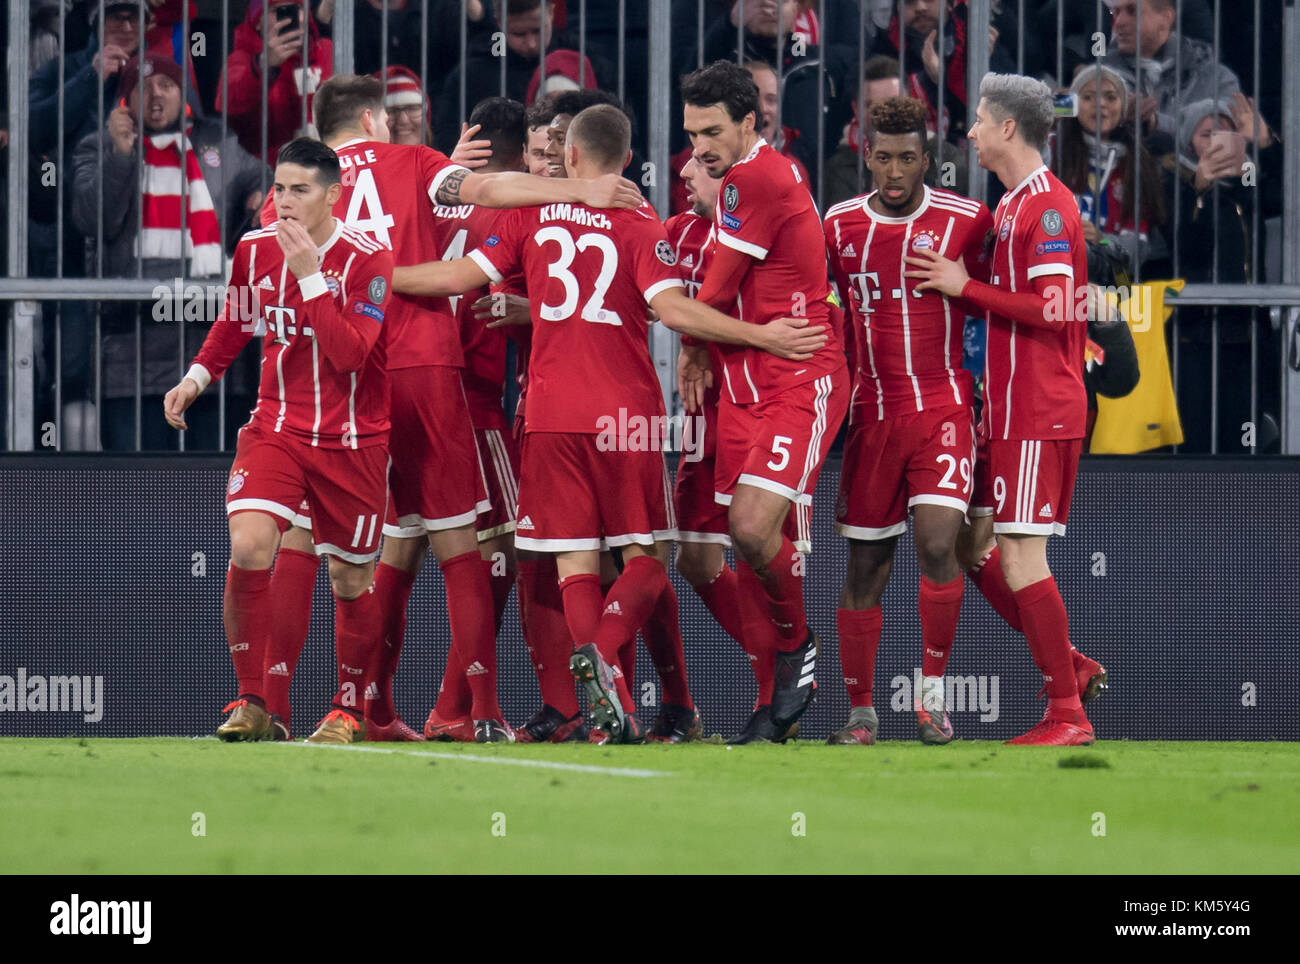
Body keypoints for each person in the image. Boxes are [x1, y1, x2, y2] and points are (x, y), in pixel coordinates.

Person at [393, 103, 829, 742]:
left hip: (546, 413)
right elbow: (676, 314)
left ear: (568, 157)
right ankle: (606, 652)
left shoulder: (530, 214)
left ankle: (609, 699)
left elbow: (457, 278)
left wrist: (368, 273)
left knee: (571, 565)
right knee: (646, 554)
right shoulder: (639, 221)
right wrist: (761, 334)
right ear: (626, 160)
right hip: (626, 414)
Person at [163, 137, 393, 745]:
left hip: (352, 440)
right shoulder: (254, 248)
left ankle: (347, 709)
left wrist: (312, 278)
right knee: (248, 546)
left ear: (333, 195)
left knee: (349, 579)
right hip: (277, 427)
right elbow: (237, 320)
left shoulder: (369, 259)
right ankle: (253, 701)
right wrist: (195, 378)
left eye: (301, 190)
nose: (284, 202)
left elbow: (350, 357)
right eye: (279, 188)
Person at [904, 73, 1096, 746]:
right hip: (1010, 410)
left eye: (980, 120)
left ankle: (1067, 713)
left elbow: (1054, 307)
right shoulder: (1014, 204)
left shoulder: (1046, 207)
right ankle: (1068, 667)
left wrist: (964, 286)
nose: (971, 131)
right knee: (975, 541)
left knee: (1021, 557)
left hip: (1041, 408)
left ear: (1009, 128)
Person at [677, 60, 850, 739]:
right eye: (692, 136)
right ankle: (767, 709)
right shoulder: (744, 179)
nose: (700, 149)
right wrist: (699, 345)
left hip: (797, 378)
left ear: (752, 123)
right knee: (745, 552)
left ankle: (796, 645)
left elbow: (709, 297)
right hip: (744, 389)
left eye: (713, 132)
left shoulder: (756, 177)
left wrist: (692, 335)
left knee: (753, 529)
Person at [822, 96, 993, 746]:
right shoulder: (836, 225)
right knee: (866, 568)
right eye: (883, 157)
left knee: (936, 544)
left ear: (928, 159)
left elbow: (1002, 295)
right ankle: (862, 715)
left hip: (943, 408)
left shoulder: (967, 222)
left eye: (907, 158)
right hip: (871, 420)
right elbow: (820, 302)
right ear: (867, 155)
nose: (894, 172)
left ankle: (931, 703)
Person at [70, 52, 266, 452]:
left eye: (166, 85)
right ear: (125, 101)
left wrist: (260, 198)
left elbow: (265, 177)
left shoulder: (219, 143)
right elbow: (92, 219)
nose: (155, 96)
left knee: (213, 484)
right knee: (133, 488)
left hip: (209, 356)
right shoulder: (98, 146)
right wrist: (121, 155)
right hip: (129, 354)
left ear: (183, 93)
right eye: (142, 88)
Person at [1055, 64, 1164, 280]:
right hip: (1052, 274)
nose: (1100, 104)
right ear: (1073, 106)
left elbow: (1135, 251)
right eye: (1087, 98)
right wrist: (1054, 107)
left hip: (1108, 286)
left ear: (1123, 109)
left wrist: (1101, 239)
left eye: (1111, 97)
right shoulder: (1052, 150)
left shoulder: (1137, 163)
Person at [1102, 0, 1240, 144]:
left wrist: (1155, 122)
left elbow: (1219, 136)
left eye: (1133, 11)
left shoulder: (1217, 78)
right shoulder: (1099, 78)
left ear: (1166, 18)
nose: (1119, 22)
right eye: (1116, 12)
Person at [218, 0, 334, 163]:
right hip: (268, 172)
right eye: (279, 11)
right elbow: (229, 107)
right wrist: (264, 66)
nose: (295, 18)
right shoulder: (241, 61)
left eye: (298, 9)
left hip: (323, 166)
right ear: (258, 22)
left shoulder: (325, 50)